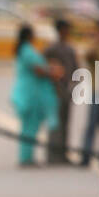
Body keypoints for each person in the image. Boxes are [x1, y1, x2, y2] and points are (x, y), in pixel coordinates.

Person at [10, 24, 60, 166]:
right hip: (31, 95)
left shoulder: (23, 50)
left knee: (28, 127)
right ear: (29, 36)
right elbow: (39, 70)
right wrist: (53, 72)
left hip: (27, 93)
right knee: (30, 128)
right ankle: (26, 158)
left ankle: (26, 156)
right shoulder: (28, 51)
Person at [44, 17, 78, 163]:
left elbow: (76, 69)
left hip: (67, 90)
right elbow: (43, 66)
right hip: (54, 90)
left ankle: (63, 154)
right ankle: (53, 156)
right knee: (55, 123)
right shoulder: (51, 49)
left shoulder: (70, 48)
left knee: (66, 123)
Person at [79, 16, 99, 166]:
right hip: (98, 91)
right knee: (92, 125)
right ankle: (86, 157)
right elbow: (87, 56)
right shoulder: (96, 46)